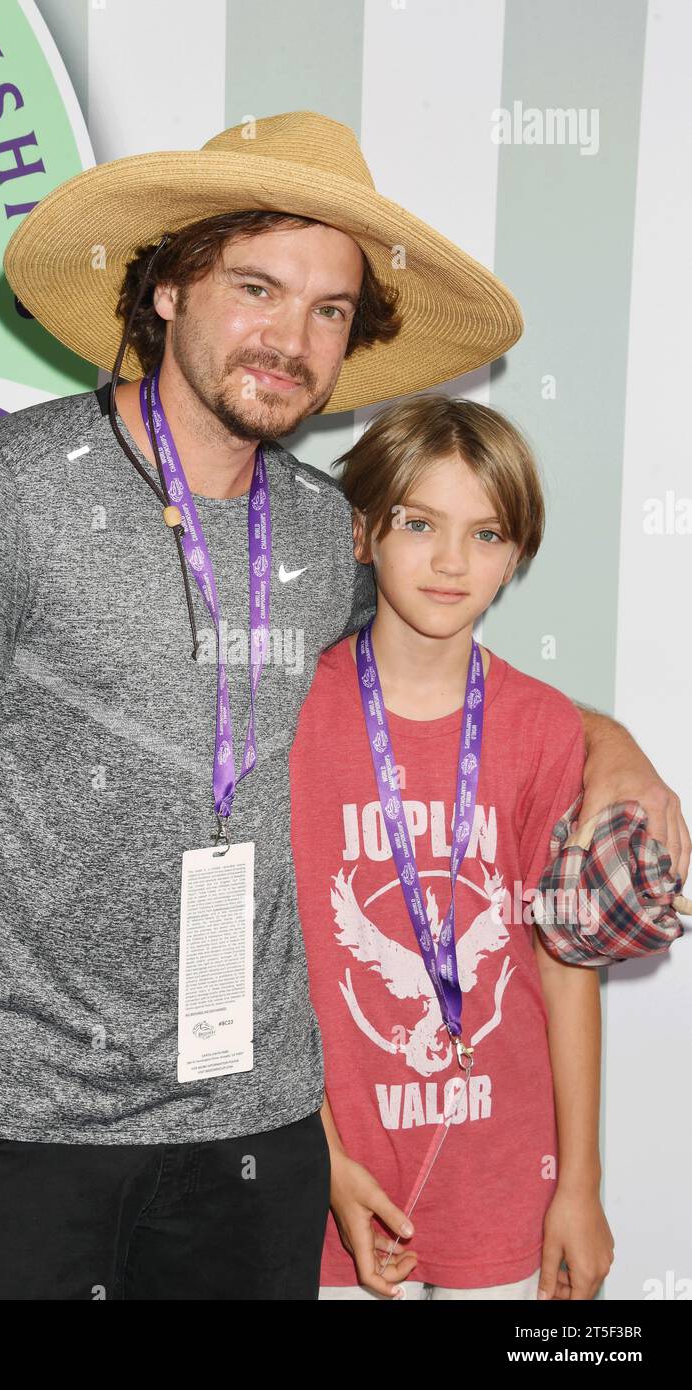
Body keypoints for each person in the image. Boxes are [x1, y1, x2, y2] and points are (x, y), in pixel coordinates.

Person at [0, 111, 687, 1301]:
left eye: (329, 310)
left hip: (261, 1124)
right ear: (168, 292)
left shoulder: (319, 527)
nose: (291, 338)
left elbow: (438, 669)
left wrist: (616, 748)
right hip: (37, 1118)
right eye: (257, 287)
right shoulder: (9, 488)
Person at [289, 395, 620, 1301]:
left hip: (506, 1179)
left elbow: (564, 967)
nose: (448, 561)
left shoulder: (545, 728)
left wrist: (579, 1186)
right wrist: (318, 1155)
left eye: (485, 534)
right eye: (419, 524)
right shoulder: (289, 715)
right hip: (329, 1176)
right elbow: (256, 961)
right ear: (363, 532)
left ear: (518, 554)